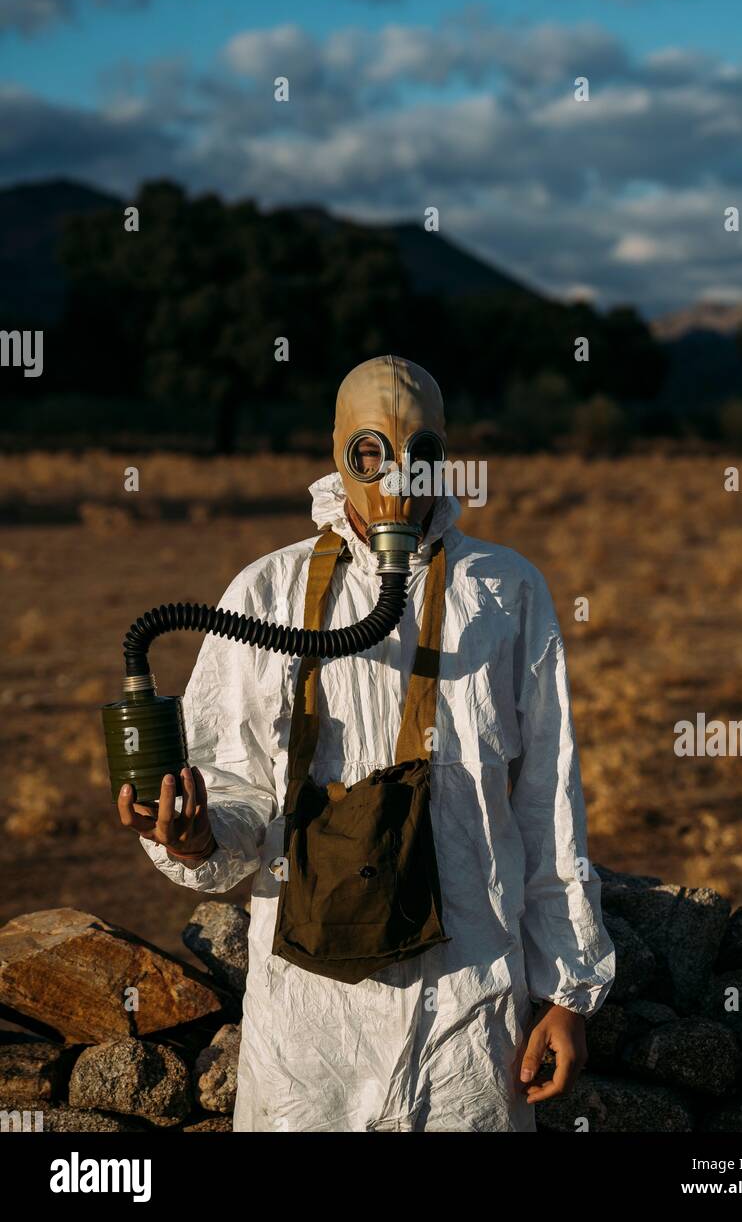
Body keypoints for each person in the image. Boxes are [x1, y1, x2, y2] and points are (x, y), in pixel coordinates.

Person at [117, 355, 615, 1132]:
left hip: (468, 1007)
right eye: (371, 452)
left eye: (419, 454)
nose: (396, 479)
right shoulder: (266, 595)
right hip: (312, 1028)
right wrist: (195, 833)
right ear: (339, 452)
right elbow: (238, 794)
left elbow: (547, 799)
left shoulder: (506, 593)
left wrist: (566, 992)